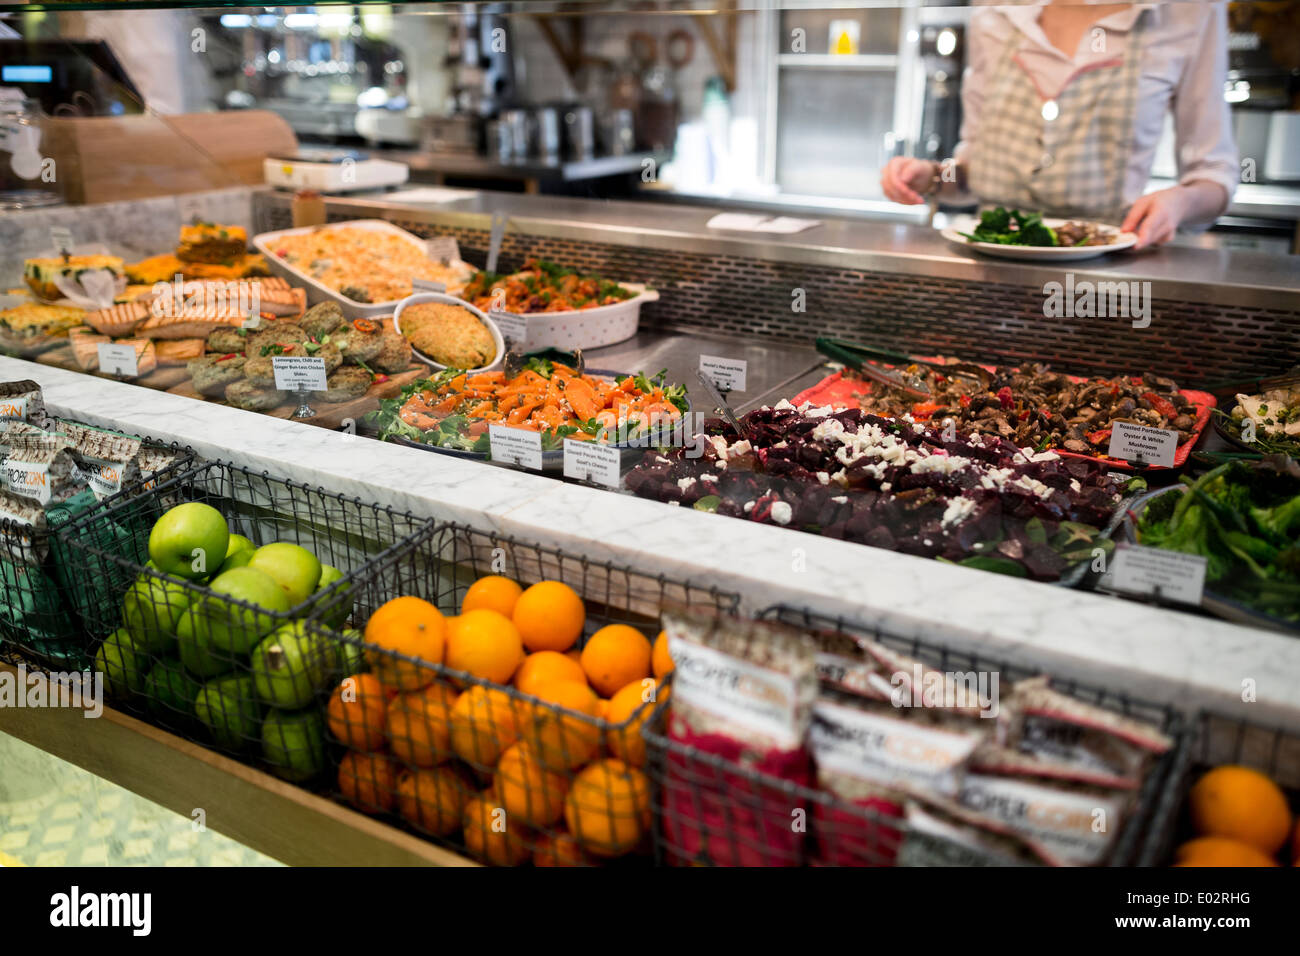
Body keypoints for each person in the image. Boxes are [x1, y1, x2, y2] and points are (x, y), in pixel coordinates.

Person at [881, 2, 1238, 249]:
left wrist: (1179, 202)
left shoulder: (1188, 12)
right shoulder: (997, 10)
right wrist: (930, 176)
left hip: (1102, 277)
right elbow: (973, 175)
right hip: (988, 272)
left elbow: (1214, 174)